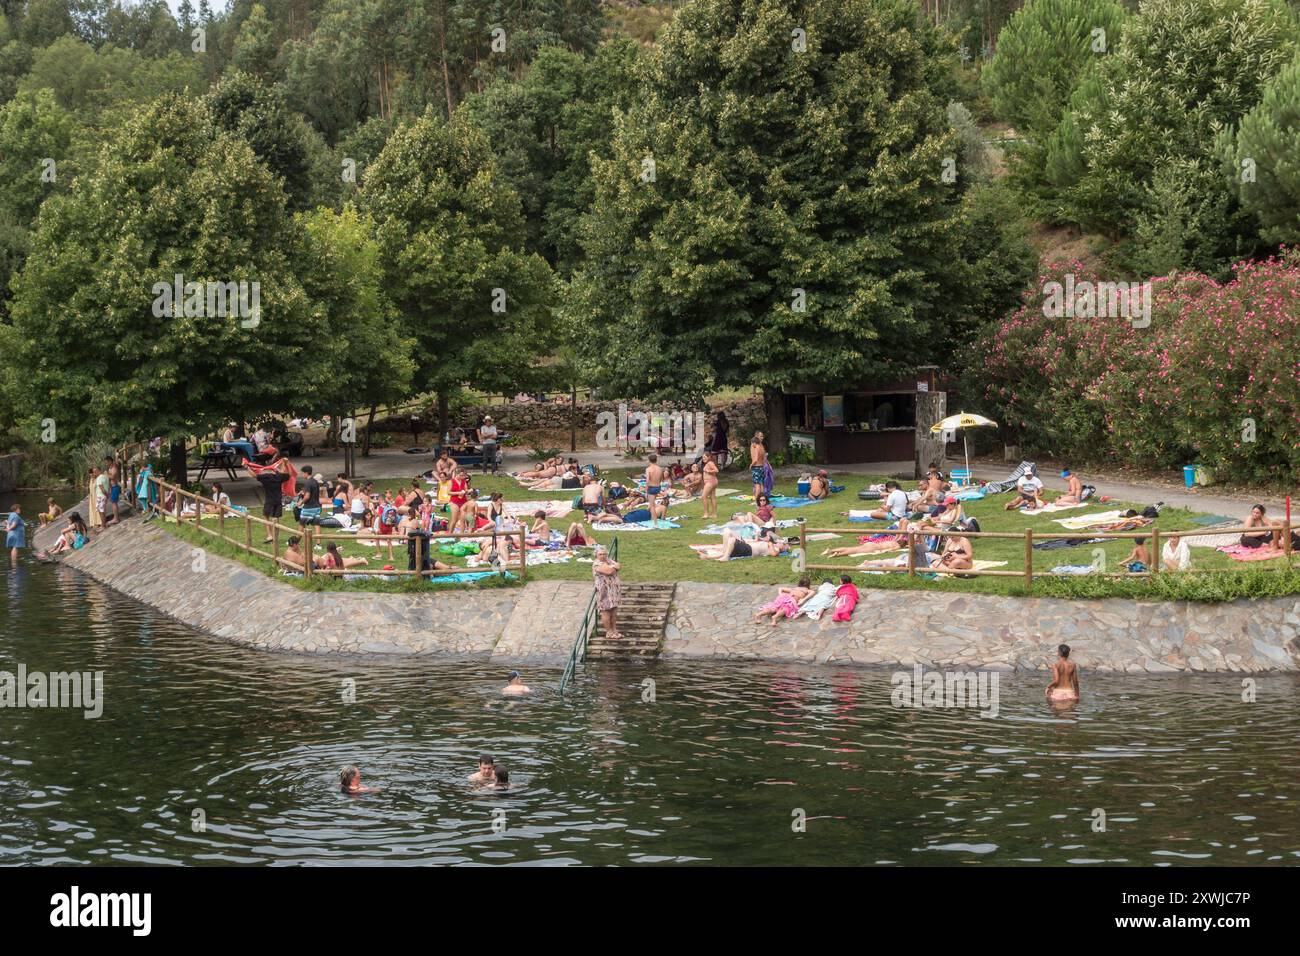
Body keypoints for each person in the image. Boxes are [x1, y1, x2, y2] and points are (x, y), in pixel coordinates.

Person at [593, 544, 622, 640]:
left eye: (605, 554)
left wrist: (614, 566)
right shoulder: (597, 564)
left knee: (614, 610)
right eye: (600, 554)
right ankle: (609, 632)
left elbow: (619, 565)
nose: (603, 556)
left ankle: (614, 630)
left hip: (613, 591)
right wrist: (614, 567)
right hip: (604, 591)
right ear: (596, 555)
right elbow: (609, 571)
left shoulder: (609, 561)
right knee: (605, 611)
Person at [700, 453, 720, 520]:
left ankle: (706, 514)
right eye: (702, 457)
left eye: (705, 457)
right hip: (712, 481)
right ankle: (714, 514)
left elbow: (716, 470)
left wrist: (708, 471)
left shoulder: (710, 463)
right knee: (712, 497)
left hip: (710, 481)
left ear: (709, 457)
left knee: (704, 496)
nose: (703, 459)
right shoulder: (708, 463)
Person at [749, 432, 768, 499]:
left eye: (762, 436)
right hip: (761, 467)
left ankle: (757, 501)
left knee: (757, 485)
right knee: (761, 484)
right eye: (761, 436)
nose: (762, 438)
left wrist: (751, 464)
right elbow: (764, 458)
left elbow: (756, 459)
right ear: (756, 436)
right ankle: (762, 499)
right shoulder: (761, 446)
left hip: (756, 467)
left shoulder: (756, 446)